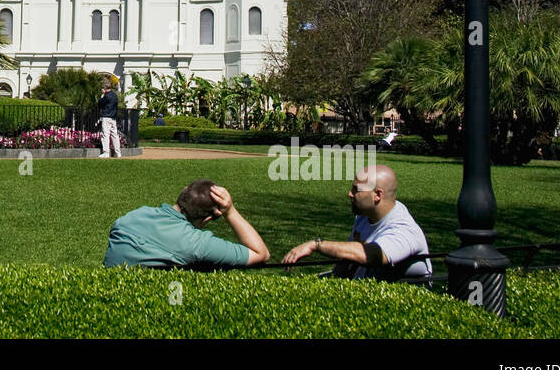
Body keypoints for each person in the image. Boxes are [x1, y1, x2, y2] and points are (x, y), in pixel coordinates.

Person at [282, 165, 432, 283]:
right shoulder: (364, 216)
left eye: (356, 190)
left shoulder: (404, 230)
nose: (349, 194)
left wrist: (316, 245)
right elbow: (348, 260)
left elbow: (371, 255)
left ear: (377, 195)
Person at [104, 179, 269, 270]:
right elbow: (260, 254)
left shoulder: (129, 218)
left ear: (183, 192)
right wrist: (231, 212)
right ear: (207, 219)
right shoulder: (197, 244)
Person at [97, 79, 121, 159]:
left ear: (104, 88)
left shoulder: (106, 96)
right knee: (115, 135)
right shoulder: (114, 95)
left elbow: (100, 103)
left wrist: (102, 95)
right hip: (113, 117)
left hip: (106, 116)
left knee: (105, 135)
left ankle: (106, 152)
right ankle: (118, 152)